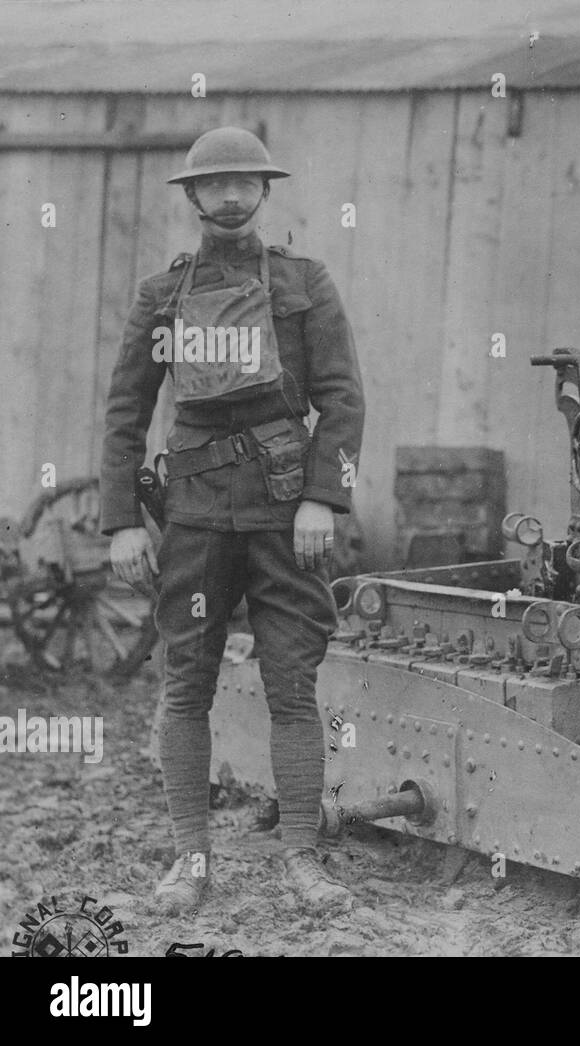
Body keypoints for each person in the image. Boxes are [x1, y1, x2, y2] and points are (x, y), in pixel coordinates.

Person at [99, 126, 365, 914]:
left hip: (286, 516)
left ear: (265, 191)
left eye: (245, 182)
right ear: (192, 196)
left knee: (293, 687)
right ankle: (191, 862)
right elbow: (125, 412)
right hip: (195, 517)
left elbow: (343, 399)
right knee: (186, 687)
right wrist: (121, 521)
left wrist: (324, 497)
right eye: (214, 184)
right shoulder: (161, 296)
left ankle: (302, 860)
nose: (230, 196)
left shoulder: (305, 282)